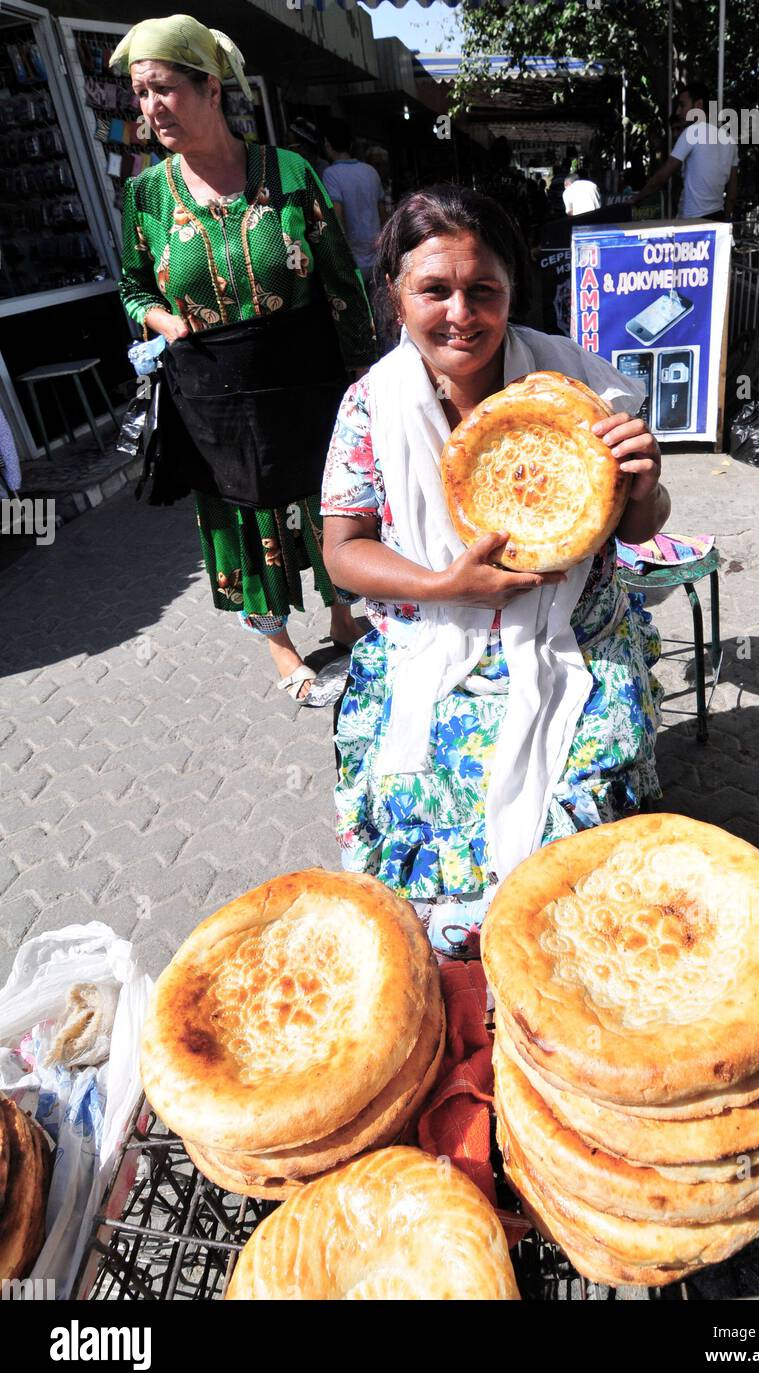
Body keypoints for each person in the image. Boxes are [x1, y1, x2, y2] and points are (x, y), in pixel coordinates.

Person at [321, 186, 666, 960]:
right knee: (418, 803)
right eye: (433, 289)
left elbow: (639, 529)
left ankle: (555, 946)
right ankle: (467, 960)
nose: (461, 315)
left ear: (512, 291)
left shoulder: (585, 389)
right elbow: (343, 550)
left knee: (573, 836)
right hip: (433, 637)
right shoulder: (371, 407)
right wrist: (448, 587)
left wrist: (644, 485)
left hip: (571, 633)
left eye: (485, 291)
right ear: (395, 294)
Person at [113, 17, 376, 706]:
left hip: (302, 372)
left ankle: (346, 615)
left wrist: (364, 380)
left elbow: (341, 283)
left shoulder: (287, 173)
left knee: (327, 502)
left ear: (210, 88)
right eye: (141, 94)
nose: (151, 108)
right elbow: (132, 284)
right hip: (211, 385)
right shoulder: (145, 195)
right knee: (242, 516)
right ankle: (281, 647)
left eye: (164, 89)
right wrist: (163, 321)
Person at [631, 82, 738, 221]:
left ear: (698, 105)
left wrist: (637, 198)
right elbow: (732, 194)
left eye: (682, 105)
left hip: (692, 222)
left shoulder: (692, 131)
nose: (678, 112)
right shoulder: (730, 140)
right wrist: (726, 220)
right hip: (718, 218)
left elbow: (662, 176)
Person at [322, 120, 387, 279]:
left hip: (354, 261)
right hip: (377, 258)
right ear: (350, 144)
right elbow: (383, 215)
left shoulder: (331, 174)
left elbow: (337, 219)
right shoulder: (370, 171)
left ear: (328, 144)